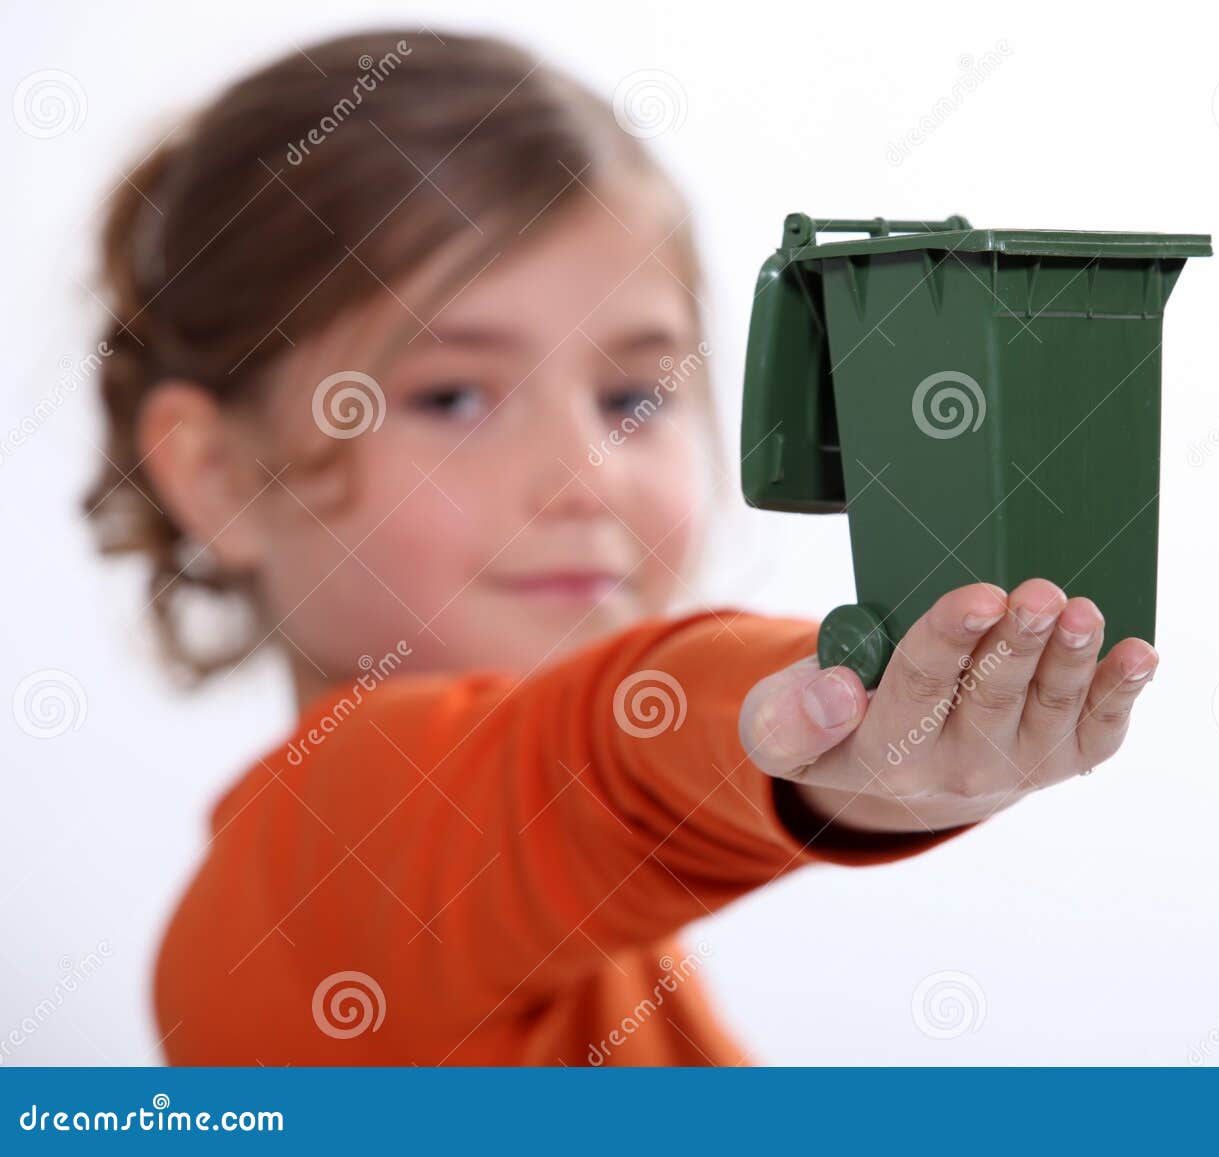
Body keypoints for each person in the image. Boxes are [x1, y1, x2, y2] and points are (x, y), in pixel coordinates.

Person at [84, 28, 1158, 1065]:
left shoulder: (602, 944)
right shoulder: (310, 875)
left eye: (634, 394)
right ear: (219, 474)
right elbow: (601, 756)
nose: (583, 476)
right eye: (451, 394)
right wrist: (817, 710)